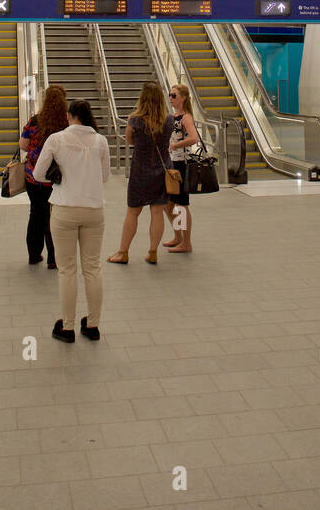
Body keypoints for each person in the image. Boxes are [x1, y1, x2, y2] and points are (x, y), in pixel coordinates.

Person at [33, 99, 110, 343]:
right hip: (94, 211)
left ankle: (67, 327)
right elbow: (106, 176)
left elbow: (37, 174)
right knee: (93, 269)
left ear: (70, 116)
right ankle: (93, 325)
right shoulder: (101, 141)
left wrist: (58, 178)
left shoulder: (57, 140)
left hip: (64, 209)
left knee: (67, 270)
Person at [108, 81, 174, 265]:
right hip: (162, 170)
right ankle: (153, 252)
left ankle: (123, 252)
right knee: (157, 212)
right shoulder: (168, 120)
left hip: (140, 171)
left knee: (132, 212)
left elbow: (130, 140)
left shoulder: (135, 120)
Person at [20, 84, 67, 267]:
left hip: (34, 177)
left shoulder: (34, 121)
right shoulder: (66, 124)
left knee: (36, 214)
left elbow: (23, 145)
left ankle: (34, 254)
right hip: (57, 178)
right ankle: (53, 259)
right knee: (54, 217)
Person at [162, 83, 199, 254]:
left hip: (180, 164)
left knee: (181, 203)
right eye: (170, 95)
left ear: (183, 98)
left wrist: (176, 145)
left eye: (174, 95)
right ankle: (178, 236)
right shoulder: (172, 116)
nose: (171, 98)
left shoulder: (186, 117)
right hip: (170, 163)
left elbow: (194, 138)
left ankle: (187, 241)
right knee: (168, 203)